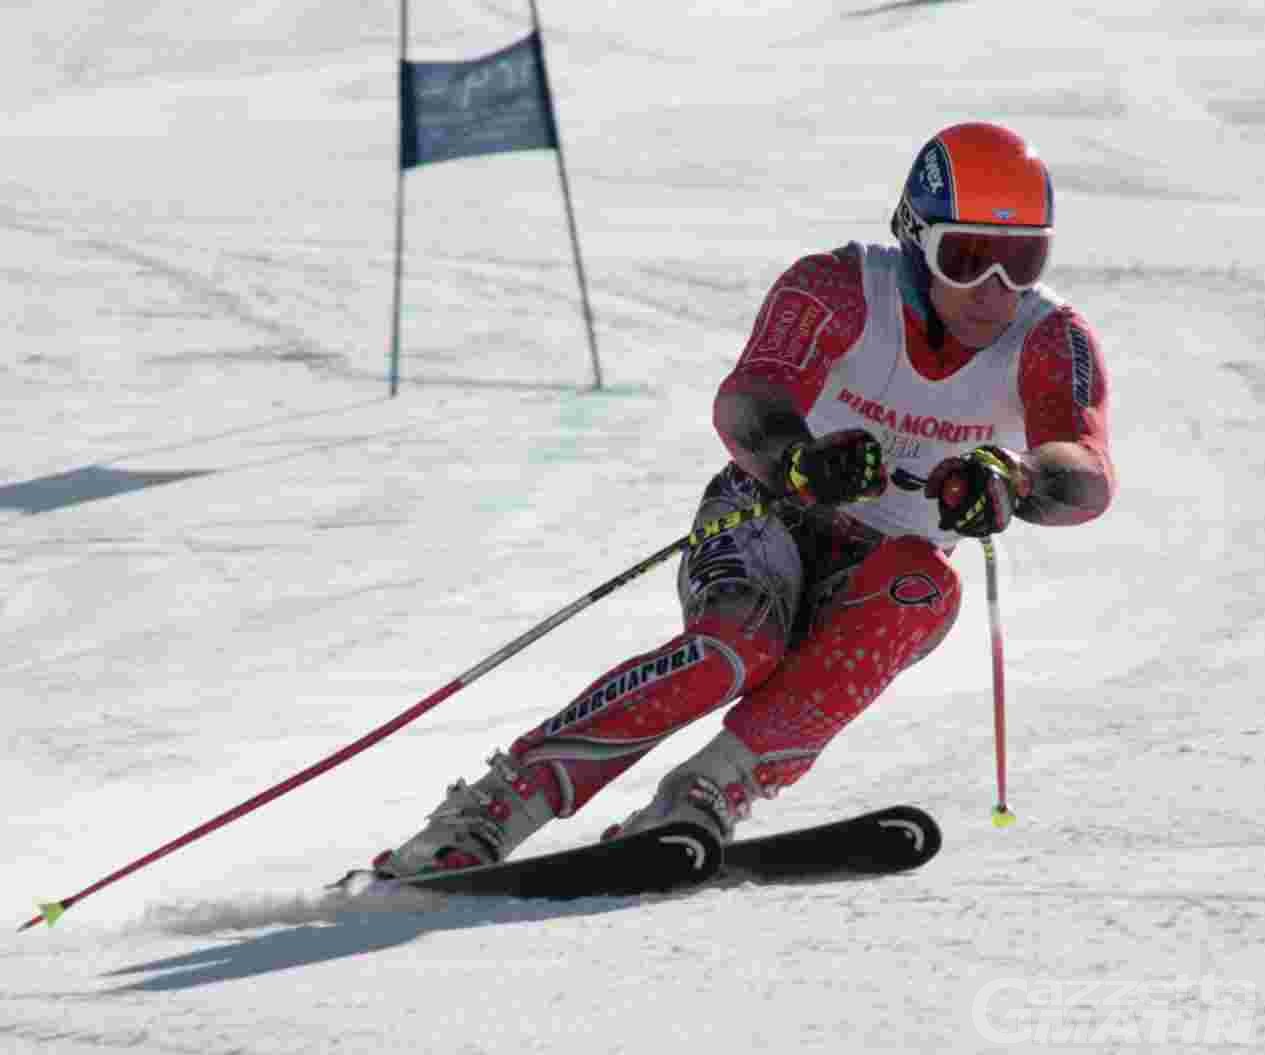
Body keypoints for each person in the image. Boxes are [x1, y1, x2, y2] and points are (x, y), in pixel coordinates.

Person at [374, 121, 1116, 876]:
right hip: (770, 519)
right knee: (737, 646)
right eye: (965, 259)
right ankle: (487, 812)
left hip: (884, 564)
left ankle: (706, 793)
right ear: (914, 237)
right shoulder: (838, 287)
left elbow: (1085, 470)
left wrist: (1013, 476)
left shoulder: (1049, 336)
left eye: (1022, 262)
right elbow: (748, 401)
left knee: (924, 588)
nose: (994, 292)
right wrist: (798, 460)